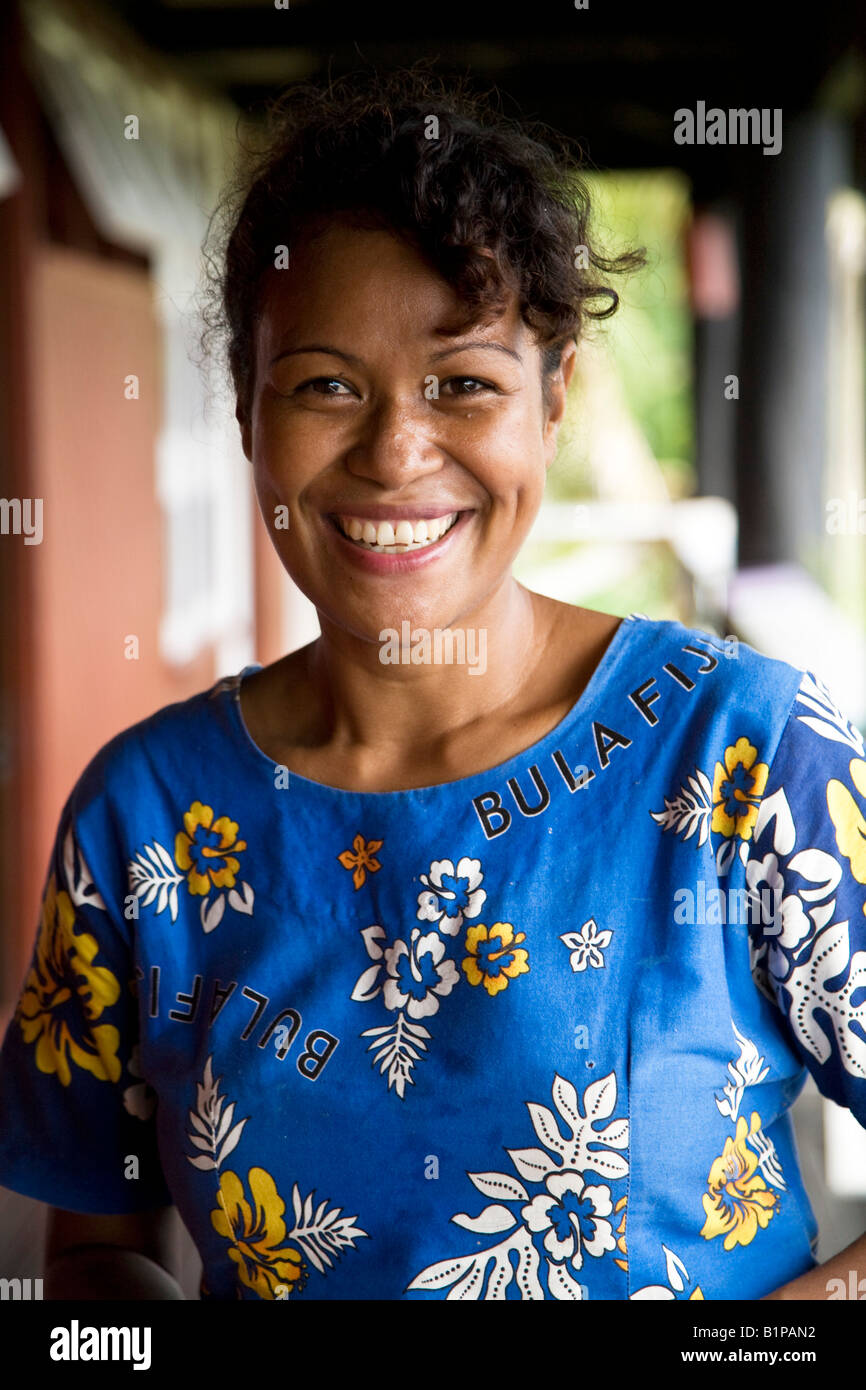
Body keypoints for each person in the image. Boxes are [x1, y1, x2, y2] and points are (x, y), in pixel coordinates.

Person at [0, 67, 864, 1302]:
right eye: (324, 385)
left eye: (463, 382)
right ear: (248, 414)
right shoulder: (142, 819)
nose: (396, 452)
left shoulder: (743, 755)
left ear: (553, 399)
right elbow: (95, 1251)